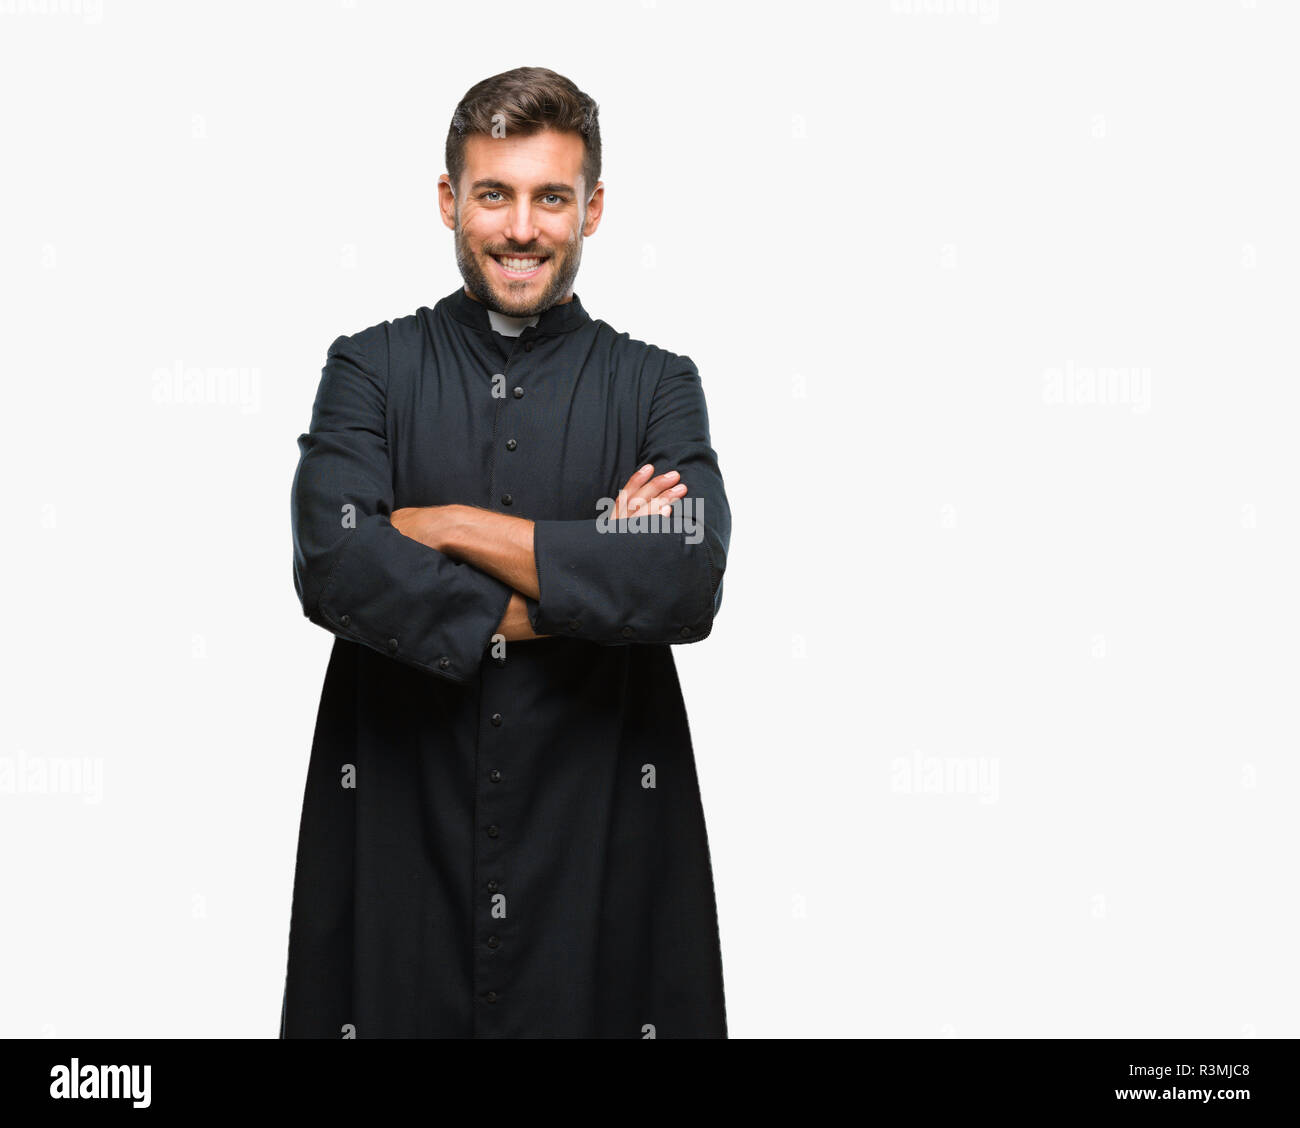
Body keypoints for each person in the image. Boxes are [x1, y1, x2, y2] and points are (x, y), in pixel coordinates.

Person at [281, 66, 731, 1038]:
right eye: (494, 194)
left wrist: (442, 527)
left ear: (591, 208)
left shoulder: (656, 384)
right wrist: (591, 574)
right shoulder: (368, 368)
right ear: (450, 200)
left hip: (600, 840)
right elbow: (336, 559)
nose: (521, 228)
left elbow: (687, 574)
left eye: (549, 198)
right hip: (404, 842)